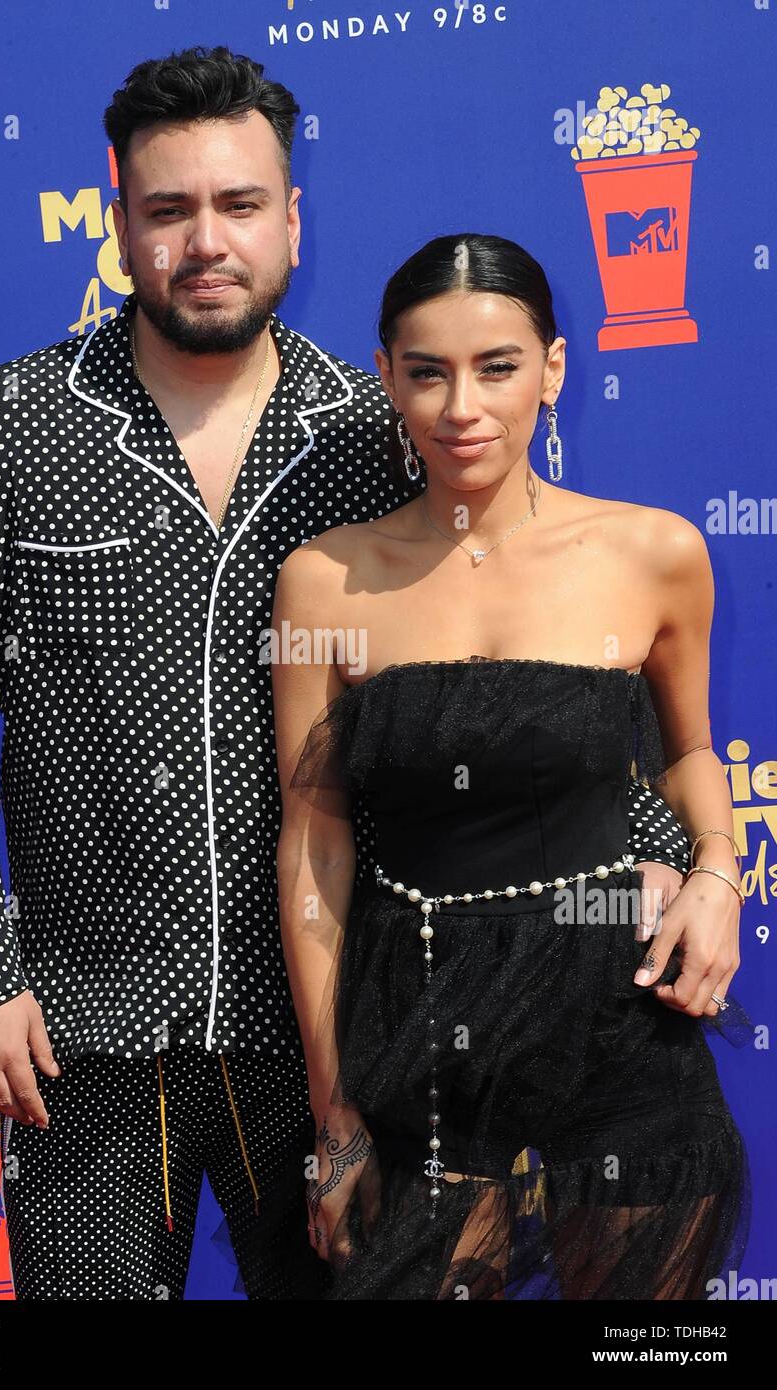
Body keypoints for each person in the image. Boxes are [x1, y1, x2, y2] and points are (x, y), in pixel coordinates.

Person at [0, 45, 696, 1301]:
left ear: (292, 219)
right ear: (120, 224)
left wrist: (654, 848)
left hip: (336, 1028)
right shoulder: (10, 426)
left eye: (239, 204)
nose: (205, 241)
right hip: (85, 1028)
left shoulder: (373, 437)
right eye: (169, 210)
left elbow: (508, 676)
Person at [272, 232, 754, 1300]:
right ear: (386, 374)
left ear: (555, 369)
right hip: (418, 1024)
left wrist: (721, 871)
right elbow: (314, 844)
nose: (461, 407)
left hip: (613, 1005)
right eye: (426, 370)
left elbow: (686, 750)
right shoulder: (322, 581)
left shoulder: (654, 551)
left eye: (496, 366)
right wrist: (334, 1105)